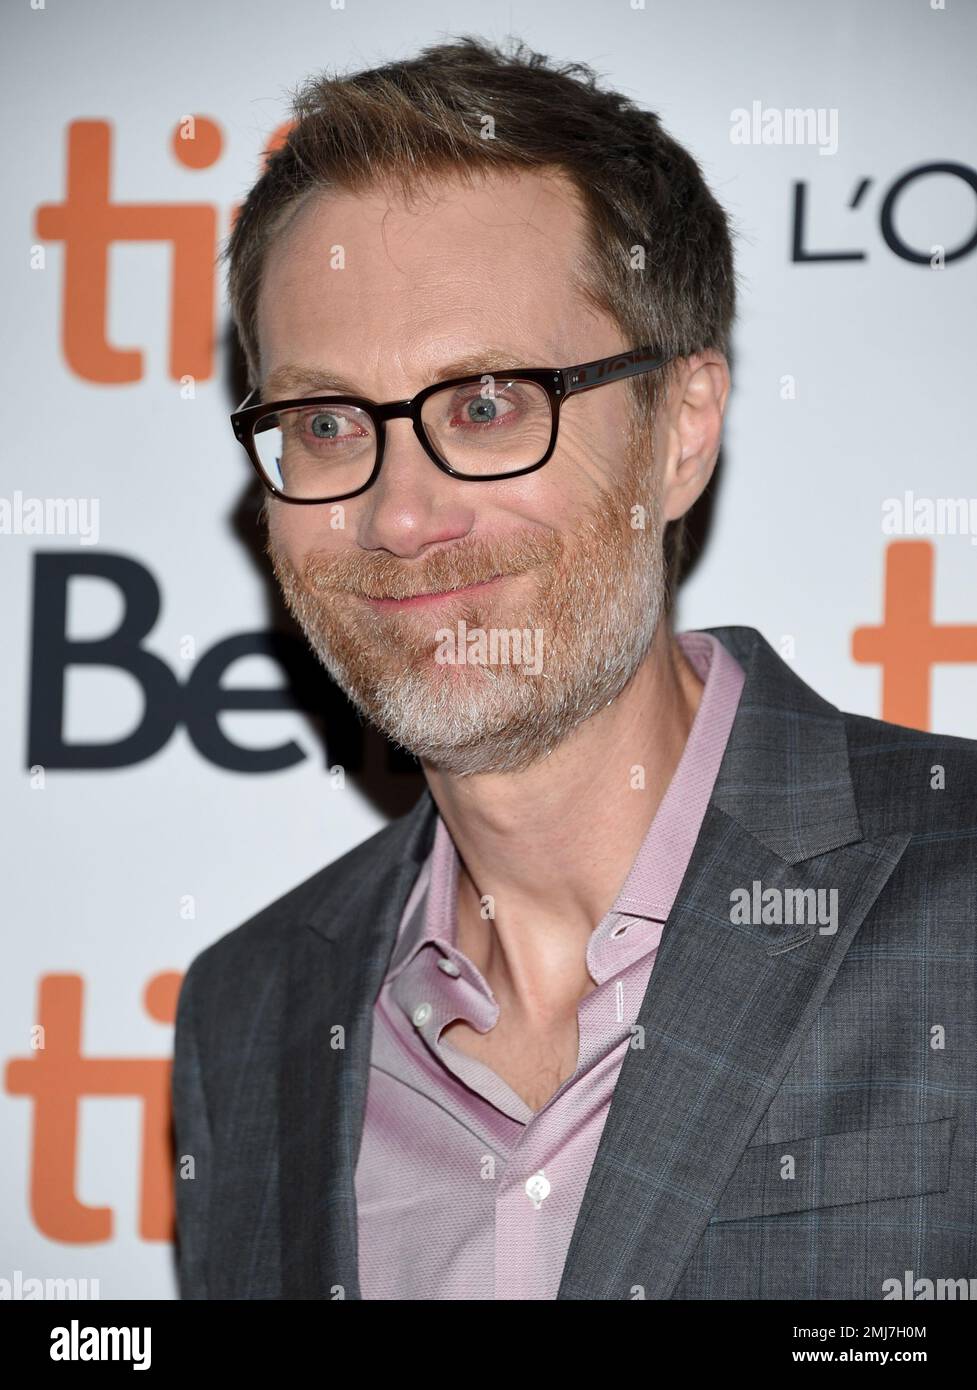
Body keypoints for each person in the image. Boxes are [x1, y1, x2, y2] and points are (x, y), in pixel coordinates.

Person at [172, 35, 976, 1300]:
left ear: (680, 431)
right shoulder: (250, 1013)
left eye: (486, 403)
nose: (400, 515)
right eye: (326, 424)